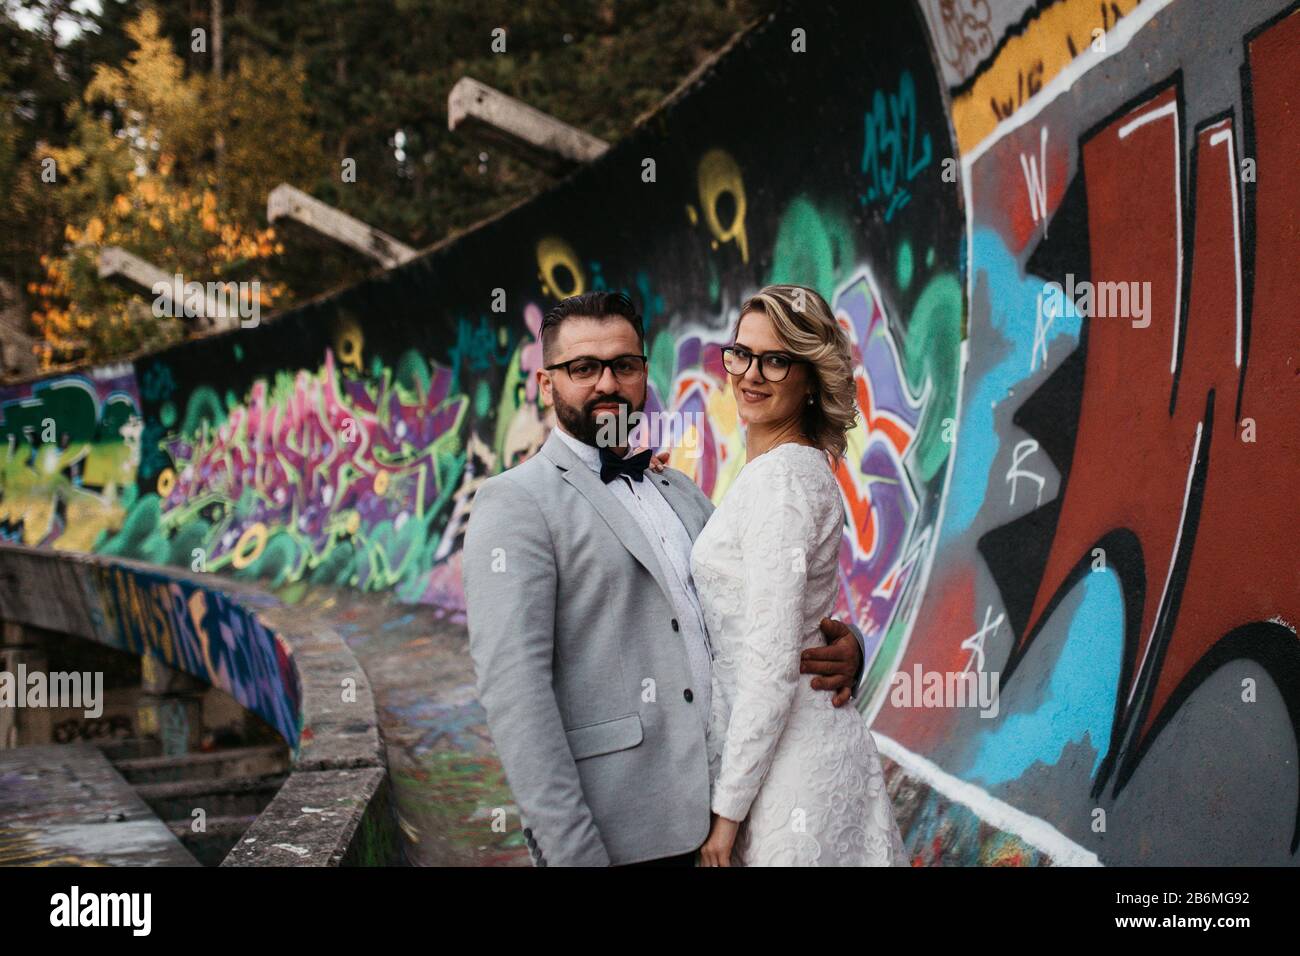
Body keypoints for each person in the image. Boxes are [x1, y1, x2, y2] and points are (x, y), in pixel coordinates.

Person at [463, 290, 868, 866]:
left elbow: (755, 613)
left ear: (644, 376)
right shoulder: (515, 503)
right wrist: (573, 853)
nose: (607, 383)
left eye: (624, 365)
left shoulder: (678, 490)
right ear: (547, 384)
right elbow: (515, 697)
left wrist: (845, 646)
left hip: (724, 821)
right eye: (583, 368)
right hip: (621, 836)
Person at [683, 284, 907, 866]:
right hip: (790, 760)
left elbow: (770, 664)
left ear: (810, 378)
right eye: (741, 353)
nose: (750, 374)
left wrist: (725, 820)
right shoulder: (787, 473)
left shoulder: (781, 484)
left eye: (776, 359)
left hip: (790, 780)